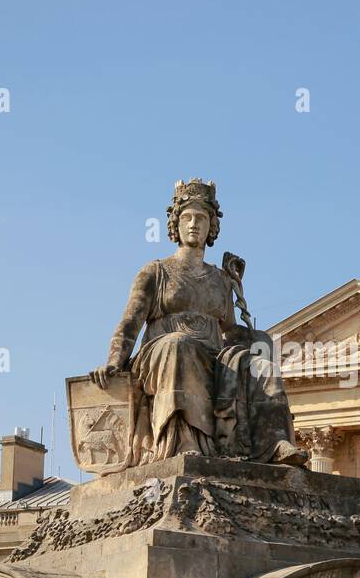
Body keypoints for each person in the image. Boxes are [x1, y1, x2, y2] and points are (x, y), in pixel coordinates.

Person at [89, 179, 307, 467]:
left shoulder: (220, 280)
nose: (194, 224)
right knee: (181, 345)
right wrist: (114, 362)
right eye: (187, 217)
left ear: (211, 227)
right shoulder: (155, 272)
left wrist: (258, 338)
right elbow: (130, 323)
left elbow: (229, 329)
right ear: (175, 224)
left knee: (262, 363)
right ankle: (184, 442)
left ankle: (274, 443)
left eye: (201, 218)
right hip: (161, 355)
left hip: (213, 356)